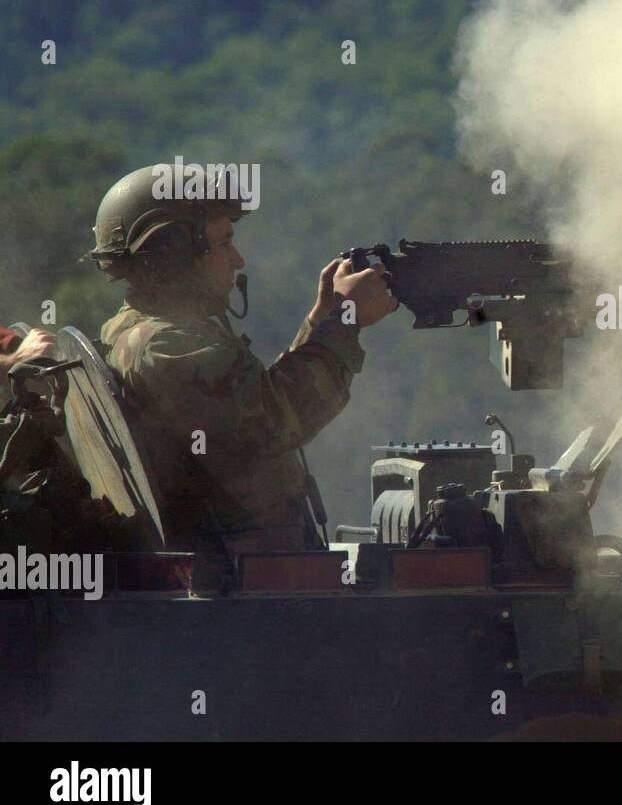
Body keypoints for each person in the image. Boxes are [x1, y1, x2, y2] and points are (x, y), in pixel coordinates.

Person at [87, 163, 396, 567]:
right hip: (236, 577)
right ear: (174, 254)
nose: (238, 260)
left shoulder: (143, 331)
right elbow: (273, 420)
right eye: (224, 243)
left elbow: (253, 398)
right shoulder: (163, 347)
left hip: (243, 569)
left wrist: (321, 324)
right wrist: (346, 321)